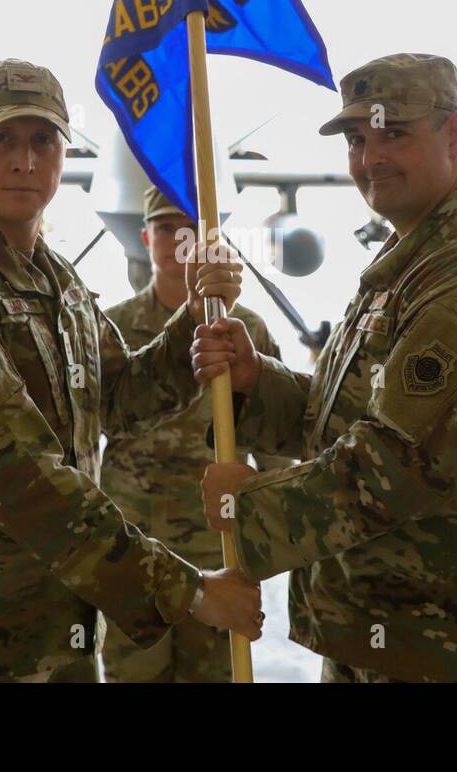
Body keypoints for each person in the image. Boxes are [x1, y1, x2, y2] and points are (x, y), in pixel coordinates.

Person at [0, 58, 261, 682]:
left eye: (43, 140)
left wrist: (197, 326)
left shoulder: (55, 279)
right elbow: (19, 478)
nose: (26, 160)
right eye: (2, 140)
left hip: (60, 636)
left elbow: (120, 399)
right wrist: (192, 591)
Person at [192, 52, 457, 682]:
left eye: (394, 133)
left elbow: (394, 468)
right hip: (393, 631)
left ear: (455, 134)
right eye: (357, 139)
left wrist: (246, 512)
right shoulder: (413, 262)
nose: (370, 156)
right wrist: (255, 383)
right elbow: (355, 418)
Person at [99, 185, 296, 682]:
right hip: (134, 548)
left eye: (191, 230)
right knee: (133, 675)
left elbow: (277, 444)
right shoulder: (114, 326)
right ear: (145, 238)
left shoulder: (242, 330)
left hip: (217, 544)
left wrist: (279, 533)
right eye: (166, 229)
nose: (178, 242)